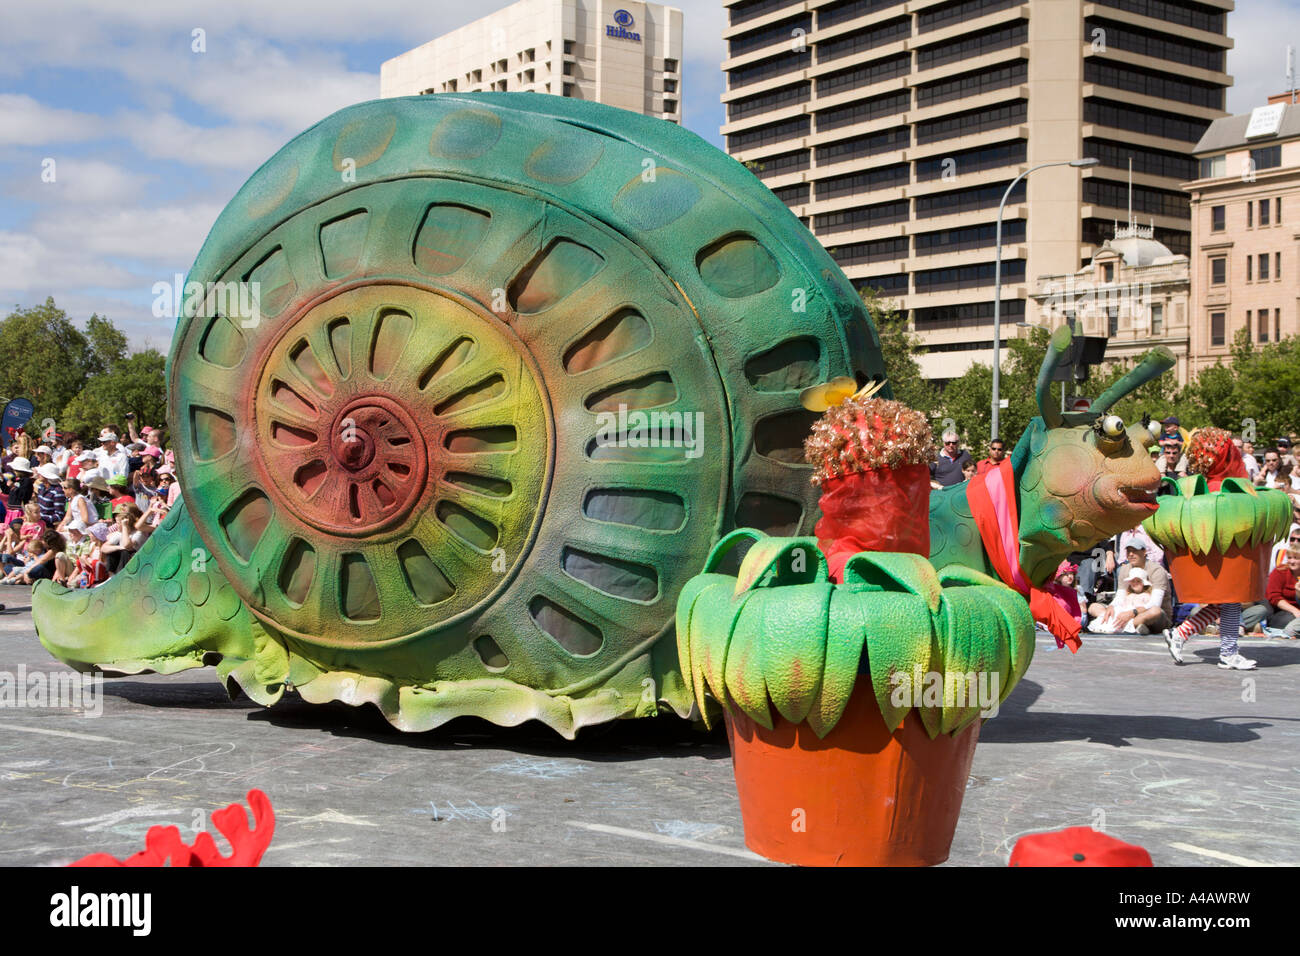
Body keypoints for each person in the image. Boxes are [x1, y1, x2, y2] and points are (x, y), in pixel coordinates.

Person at [1163, 427, 1259, 669]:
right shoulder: (1226, 489)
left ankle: (1183, 635)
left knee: (1225, 602)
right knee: (1230, 600)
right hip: (1227, 555)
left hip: (1214, 555)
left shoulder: (1201, 487)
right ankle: (1227, 653)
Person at [1109, 543, 1173, 633]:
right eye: (1128, 551)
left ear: (1144, 552)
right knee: (1094, 607)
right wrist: (1111, 606)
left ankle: (1134, 624)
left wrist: (1132, 613)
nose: (1131, 554)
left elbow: (1155, 603)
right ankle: (1137, 626)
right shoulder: (1124, 569)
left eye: (1135, 551)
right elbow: (1120, 596)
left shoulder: (1157, 570)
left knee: (1155, 611)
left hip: (1153, 615)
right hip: (1128, 609)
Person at [1088, 566, 1161, 633]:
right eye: (1133, 581)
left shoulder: (1146, 596)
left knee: (1141, 618)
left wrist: (1132, 613)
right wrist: (1112, 608)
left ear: (1144, 583)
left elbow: (1146, 608)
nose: (1135, 583)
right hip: (1120, 614)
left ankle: (1138, 627)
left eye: (1138, 581)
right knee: (1093, 606)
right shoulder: (1128, 595)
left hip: (1133, 617)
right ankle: (1106, 622)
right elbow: (1119, 603)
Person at [1043, 560, 1082, 626]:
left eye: (1071, 573)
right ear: (1059, 577)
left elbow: (1078, 610)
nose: (1070, 576)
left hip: (1071, 620)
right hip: (1055, 620)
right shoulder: (1052, 589)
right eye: (1066, 574)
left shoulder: (1076, 590)